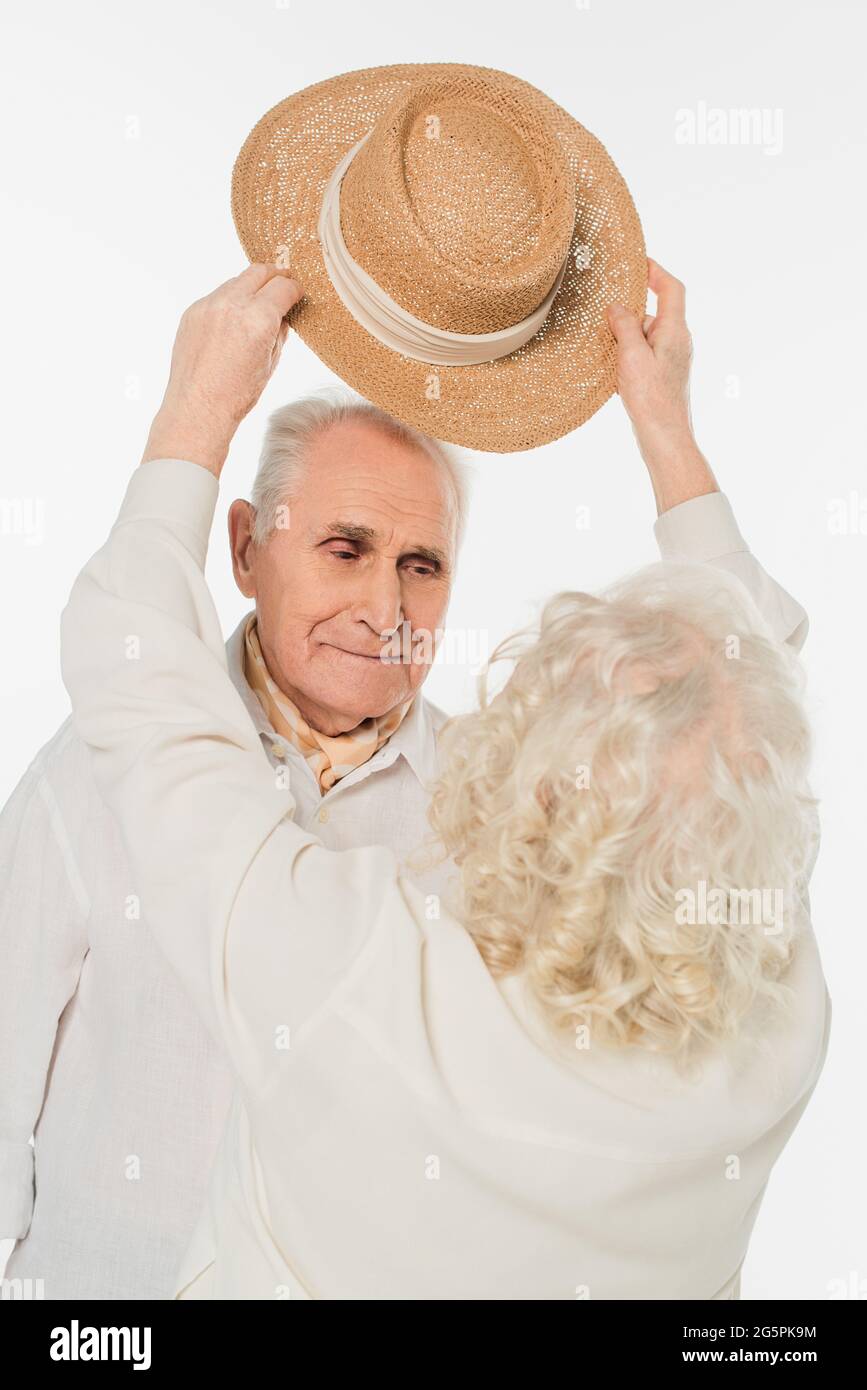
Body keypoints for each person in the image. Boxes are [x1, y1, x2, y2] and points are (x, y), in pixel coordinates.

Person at [55, 261, 830, 1299]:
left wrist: (196, 401)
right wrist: (669, 428)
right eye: (343, 547)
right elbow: (757, 686)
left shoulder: (351, 975)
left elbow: (135, 665)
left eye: (422, 564)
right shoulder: (779, 1024)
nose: (386, 606)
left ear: (530, 789)